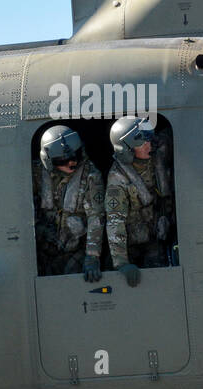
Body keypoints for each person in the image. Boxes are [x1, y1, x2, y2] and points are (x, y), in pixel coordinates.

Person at [104, 116, 174, 286]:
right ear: (127, 150)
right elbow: (115, 222)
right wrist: (122, 263)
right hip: (133, 246)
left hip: (156, 236)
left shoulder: (155, 156)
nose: (148, 146)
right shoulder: (118, 180)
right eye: (142, 144)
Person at [34, 125, 105, 281]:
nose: (72, 163)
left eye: (76, 157)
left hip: (76, 251)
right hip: (44, 250)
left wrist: (92, 256)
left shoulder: (90, 176)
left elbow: (96, 217)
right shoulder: (37, 174)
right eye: (64, 160)